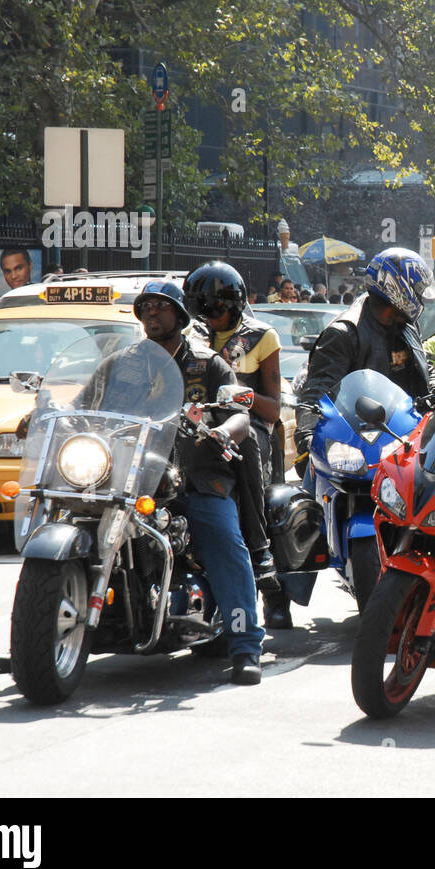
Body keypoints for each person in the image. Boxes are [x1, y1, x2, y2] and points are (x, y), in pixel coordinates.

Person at [126, 281, 266, 684]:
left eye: (162, 306)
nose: (152, 313)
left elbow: (240, 408)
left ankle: (245, 646)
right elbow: (88, 399)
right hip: (137, 478)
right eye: (146, 306)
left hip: (196, 477)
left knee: (223, 539)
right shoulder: (126, 361)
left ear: (180, 316)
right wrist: (48, 412)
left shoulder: (208, 363)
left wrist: (227, 430)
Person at [184, 262, 289, 626]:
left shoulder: (262, 336)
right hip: (195, 424)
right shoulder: (188, 335)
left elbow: (273, 410)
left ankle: (261, 555)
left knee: (243, 446)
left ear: (235, 304)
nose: (210, 320)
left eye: (218, 310)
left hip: (248, 426)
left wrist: (243, 398)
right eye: (203, 312)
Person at [296, 247, 435, 455]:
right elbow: (316, 395)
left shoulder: (406, 326)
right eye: (416, 291)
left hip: (406, 438)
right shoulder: (345, 333)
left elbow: (423, 364)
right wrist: (307, 437)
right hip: (356, 445)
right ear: (396, 287)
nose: (420, 299)